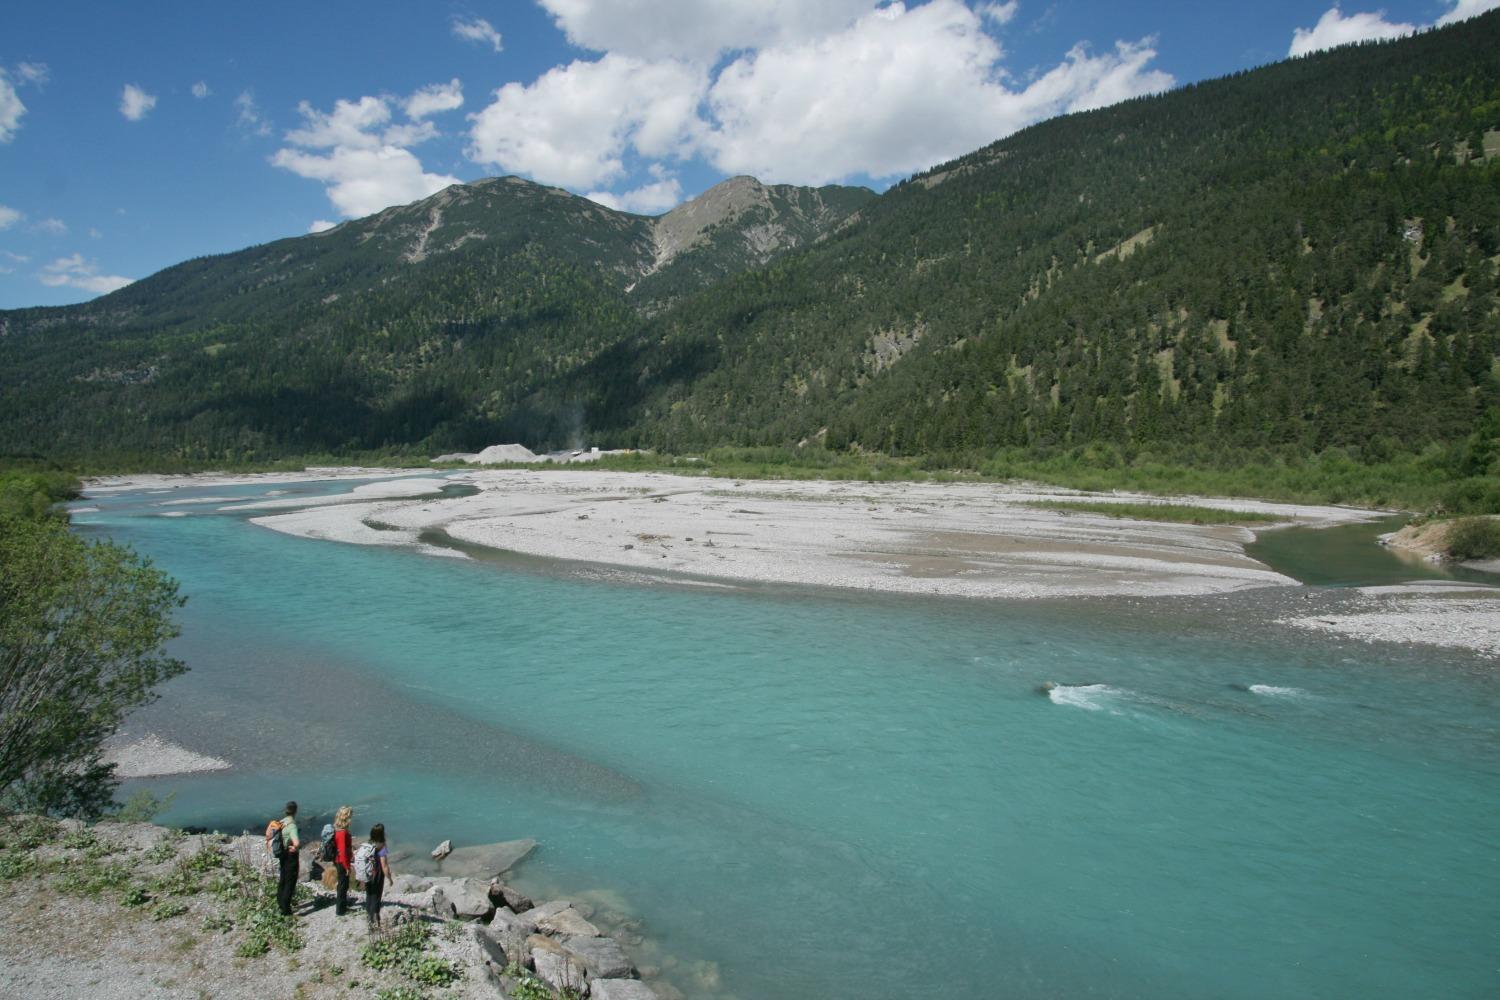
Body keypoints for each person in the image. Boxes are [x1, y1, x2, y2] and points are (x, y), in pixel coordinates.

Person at [274, 800, 301, 916]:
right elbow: (296, 842)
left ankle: (280, 903)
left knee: (283, 879)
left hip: (282, 853)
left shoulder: (282, 822)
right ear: (296, 811)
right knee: (290, 881)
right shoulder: (292, 826)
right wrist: (296, 847)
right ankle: (286, 910)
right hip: (291, 856)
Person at [364, 822, 392, 930]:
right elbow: (384, 865)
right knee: (376, 896)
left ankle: (369, 917)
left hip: (367, 872)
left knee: (369, 894)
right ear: (382, 833)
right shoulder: (382, 846)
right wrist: (390, 878)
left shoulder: (368, 843)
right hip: (377, 874)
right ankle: (375, 920)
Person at [332, 805, 354, 916]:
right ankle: (341, 910)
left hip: (338, 860)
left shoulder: (337, 830)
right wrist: (347, 867)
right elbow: (342, 851)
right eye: (350, 816)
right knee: (343, 885)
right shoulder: (342, 833)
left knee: (342, 884)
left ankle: (342, 906)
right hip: (341, 861)